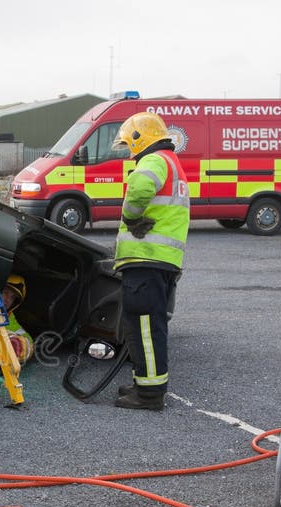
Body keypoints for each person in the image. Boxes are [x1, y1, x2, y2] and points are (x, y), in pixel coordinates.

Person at [110, 111, 190, 411]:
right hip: (161, 261)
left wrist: (131, 217)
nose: (129, 153)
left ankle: (149, 395)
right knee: (149, 326)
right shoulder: (173, 164)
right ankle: (144, 383)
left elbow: (140, 189)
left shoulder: (153, 160)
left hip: (146, 259)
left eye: (130, 145)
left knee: (144, 326)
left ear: (139, 138)